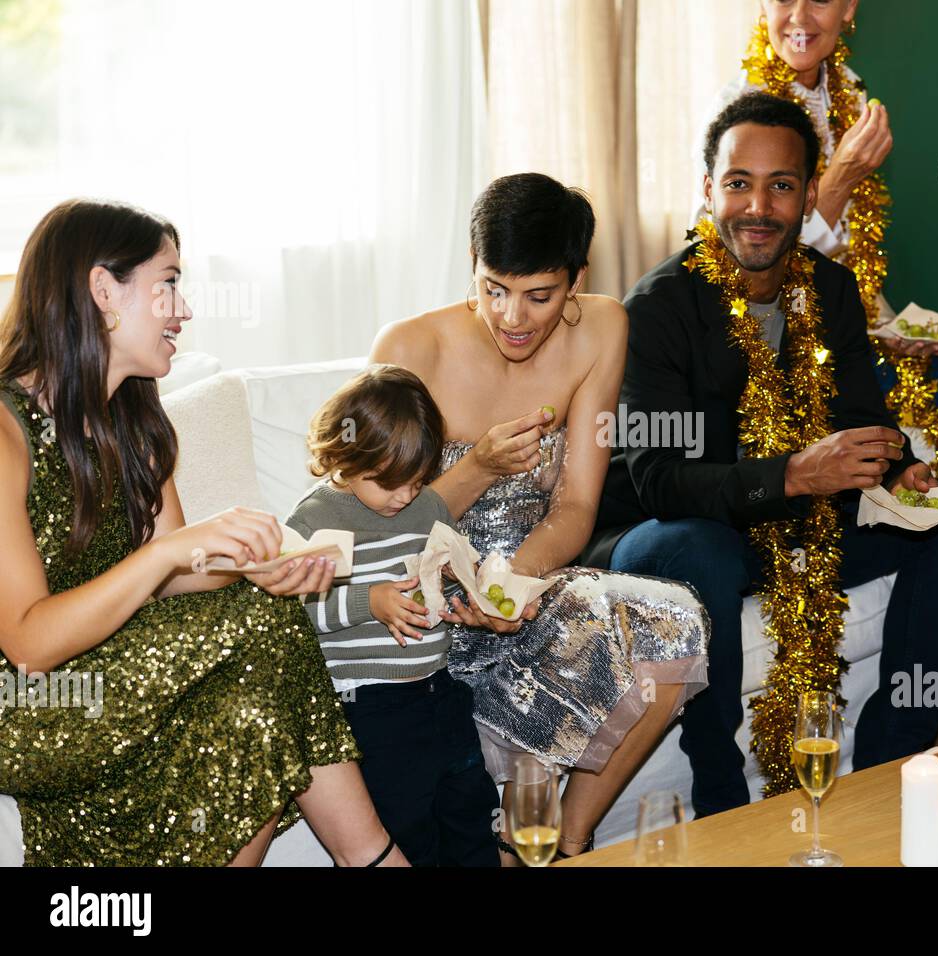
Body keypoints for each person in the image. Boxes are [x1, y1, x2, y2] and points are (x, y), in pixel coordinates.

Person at [587, 93, 938, 816]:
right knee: (700, 545)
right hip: (662, 537)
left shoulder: (828, 289)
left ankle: (891, 763)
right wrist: (797, 472)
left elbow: (863, 416)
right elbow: (658, 479)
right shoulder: (659, 308)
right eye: (738, 182)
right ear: (708, 190)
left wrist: (900, 471)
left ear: (808, 195)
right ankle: (720, 799)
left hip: (787, 521)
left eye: (781, 184)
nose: (757, 206)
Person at [0, 199, 407, 867]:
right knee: (260, 627)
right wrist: (170, 551)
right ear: (104, 291)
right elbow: (28, 643)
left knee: (251, 697)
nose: (183, 309)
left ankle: (369, 858)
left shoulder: (133, 412)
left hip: (118, 663)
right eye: (168, 284)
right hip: (29, 700)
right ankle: (373, 858)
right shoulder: (6, 430)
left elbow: (174, 582)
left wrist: (256, 568)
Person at [693, 0, 938, 653]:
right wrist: (837, 179)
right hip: (787, 363)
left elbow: (846, 263)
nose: (802, 15)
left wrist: (895, 327)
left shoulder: (849, 95)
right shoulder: (738, 111)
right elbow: (753, 266)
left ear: (850, 8)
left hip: (851, 336)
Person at [369, 173, 709, 858]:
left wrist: (513, 583)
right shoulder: (410, 351)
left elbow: (578, 502)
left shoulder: (602, 327)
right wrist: (478, 469)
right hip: (424, 597)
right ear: (472, 267)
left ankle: (562, 843)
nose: (512, 317)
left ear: (576, 279)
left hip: (528, 580)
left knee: (677, 623)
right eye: (493, 288)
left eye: (539, 295)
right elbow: (374, 527)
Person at [286, 365, 500, 866]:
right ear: (344, 456)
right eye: (389, 483)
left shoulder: (427, 507)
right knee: (406, 828)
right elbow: (293, 610)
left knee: (473, 816)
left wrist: (469, 589)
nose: (405, 496)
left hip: (440, 691)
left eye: (418, 480)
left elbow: (446, 572)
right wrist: (370, 602)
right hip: (372, 709)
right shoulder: (318, 520)